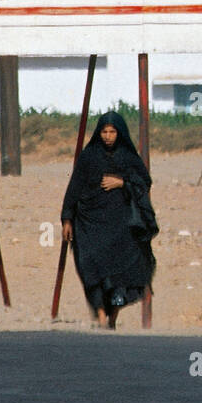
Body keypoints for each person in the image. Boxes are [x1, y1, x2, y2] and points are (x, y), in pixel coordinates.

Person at [61, 112, 158, 329]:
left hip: (120, 224)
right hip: (89, 223)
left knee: (121, 272)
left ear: (119, 133)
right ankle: (101, 314)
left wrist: (122, 182)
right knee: (90, 267)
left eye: (112, 132)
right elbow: (74, 187)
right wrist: (67, 218)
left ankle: (112, 316)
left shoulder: (128, 156)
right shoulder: (89, 156)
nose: (107, 136)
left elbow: (144, 181)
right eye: (104, 131)